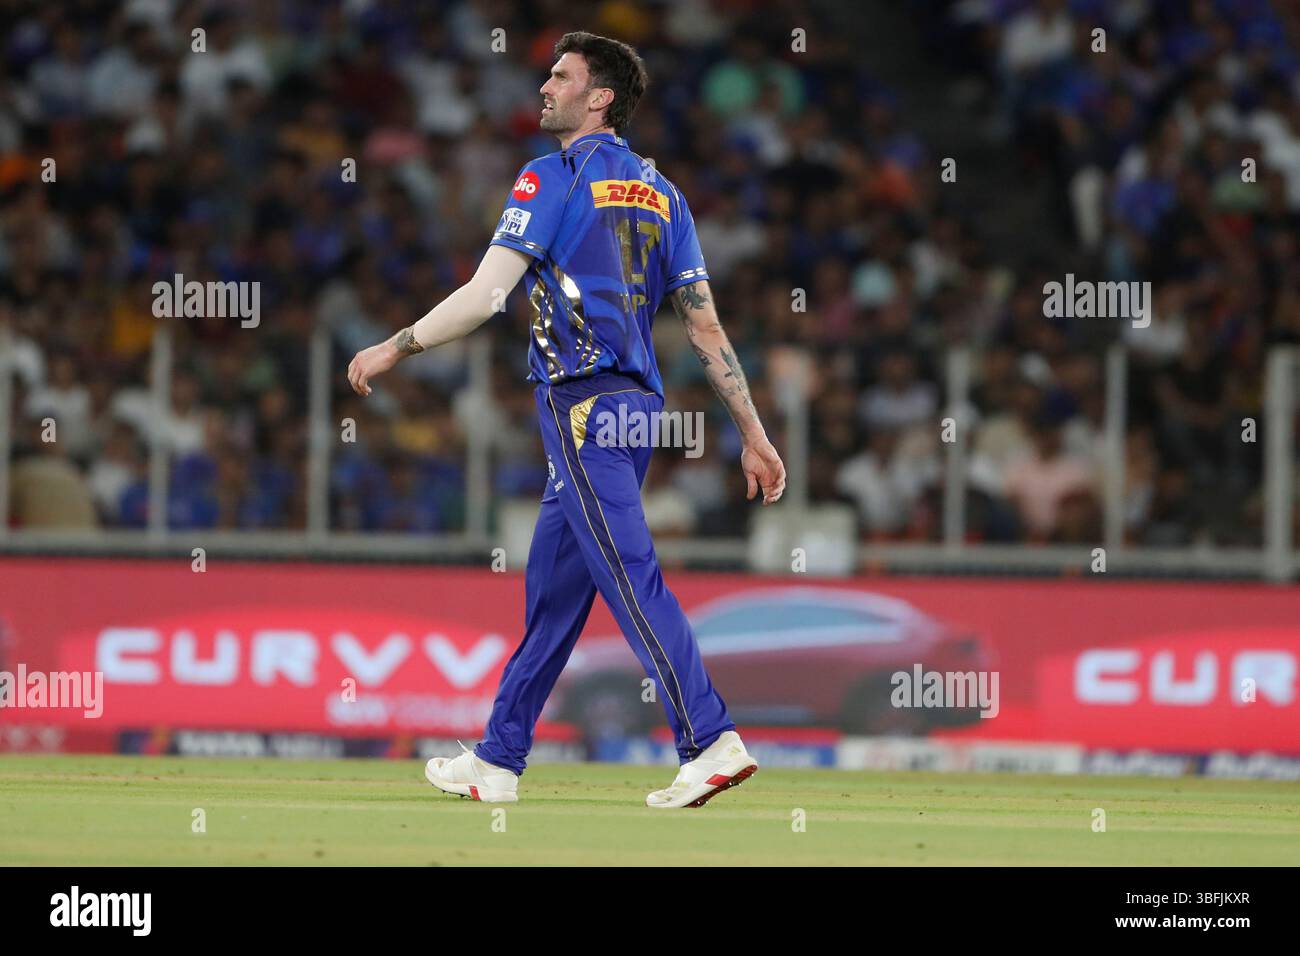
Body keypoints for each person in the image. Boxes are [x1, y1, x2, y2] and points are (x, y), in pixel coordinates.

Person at [347, 32, 785, 808]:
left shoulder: (550, 175)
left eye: (561, 76)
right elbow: (705, 329)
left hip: (581, 404)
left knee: (627, 571)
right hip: (637, 410)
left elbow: (486, 297)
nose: (544, 86)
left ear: (600, 97)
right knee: (553, 597)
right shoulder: (664, 193)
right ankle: (499, 758)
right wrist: (752, 432)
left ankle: (709, 739)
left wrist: (397, 344)